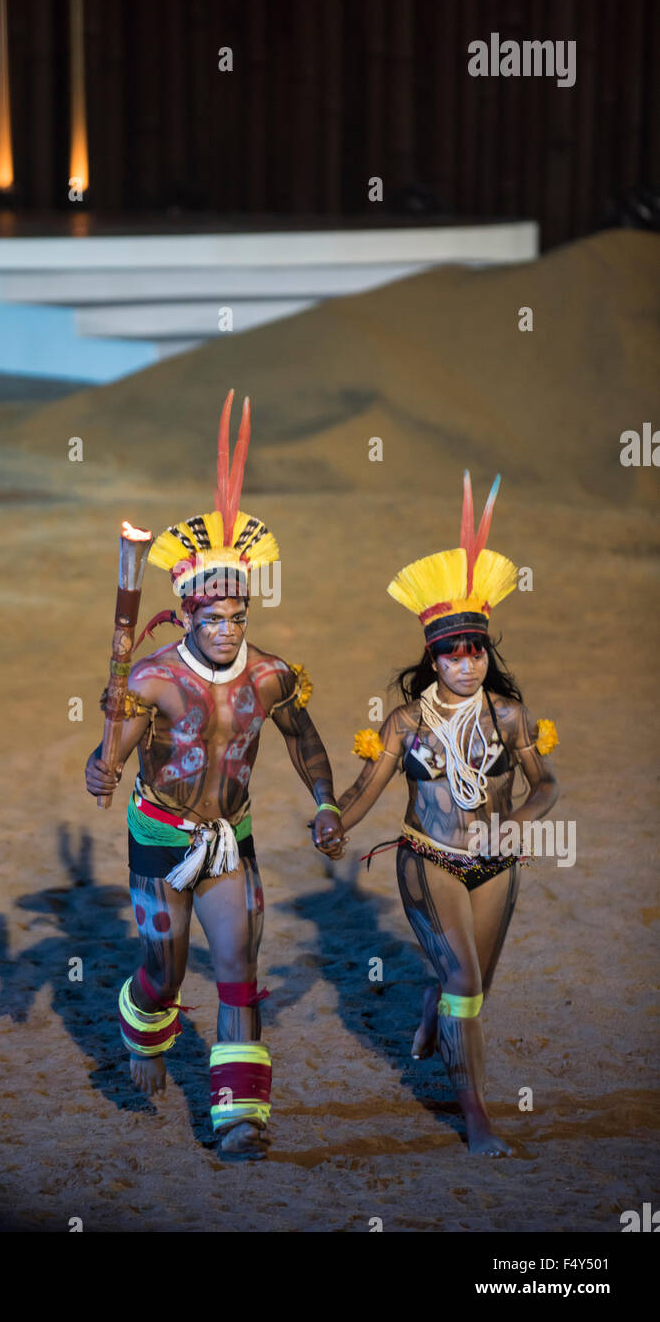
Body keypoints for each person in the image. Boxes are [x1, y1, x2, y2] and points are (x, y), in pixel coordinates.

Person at [85, 390, 344, 1159]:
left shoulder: (270, 676)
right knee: (164, 974)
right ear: (187, 614)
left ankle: (239, 1116)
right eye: (213, 619)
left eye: (239, 618)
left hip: (231, 839)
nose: (228, 631)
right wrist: (101, 765)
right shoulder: (156, 678)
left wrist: (327, 800)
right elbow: (111, 757)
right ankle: (144, 1024)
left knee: (237, 968)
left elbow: (303, 740)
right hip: (159, 838)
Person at [330, 472, 559, 1156]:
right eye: (452, 651)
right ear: (431, 657)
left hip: (494, 863)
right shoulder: (405, 721)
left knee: (472, 988)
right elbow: (365, 789)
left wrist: (519, 819)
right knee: (463, 979)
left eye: (476, 649)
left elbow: (544, 781)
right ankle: (477, 1118)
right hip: (427, 861)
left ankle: (435, 1003)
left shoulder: (510, 715)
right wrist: (331, 819)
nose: (466, 662)